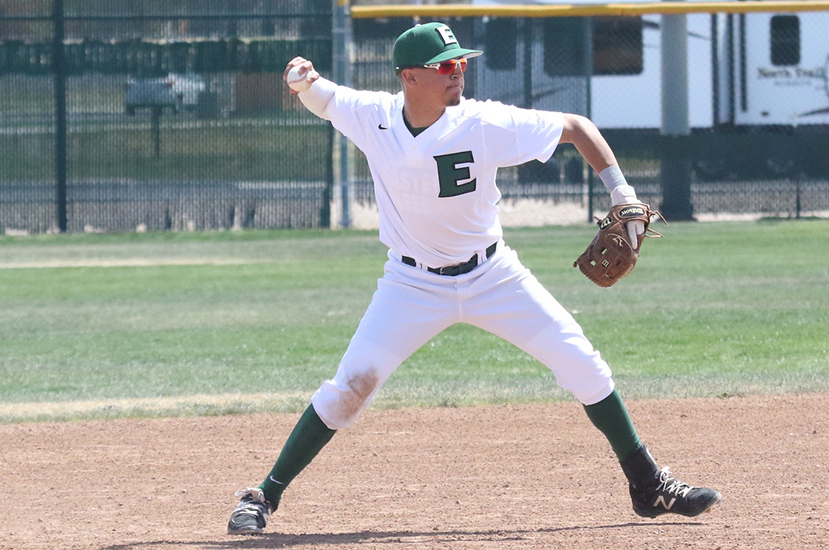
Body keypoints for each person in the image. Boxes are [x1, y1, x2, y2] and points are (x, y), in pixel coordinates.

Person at [227, 22, 720, 536]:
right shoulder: (372, 116)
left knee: (582, 364)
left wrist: (620, 194)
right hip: (411, 285)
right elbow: (325, 99)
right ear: (410, 77)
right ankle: (264, 495)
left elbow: (576, 127)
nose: (458, 71)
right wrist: (302, 80)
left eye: (461, 62)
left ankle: (649, 486)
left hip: (492, 274)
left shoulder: (484, 122)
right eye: (445, 65)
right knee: (347, 389)